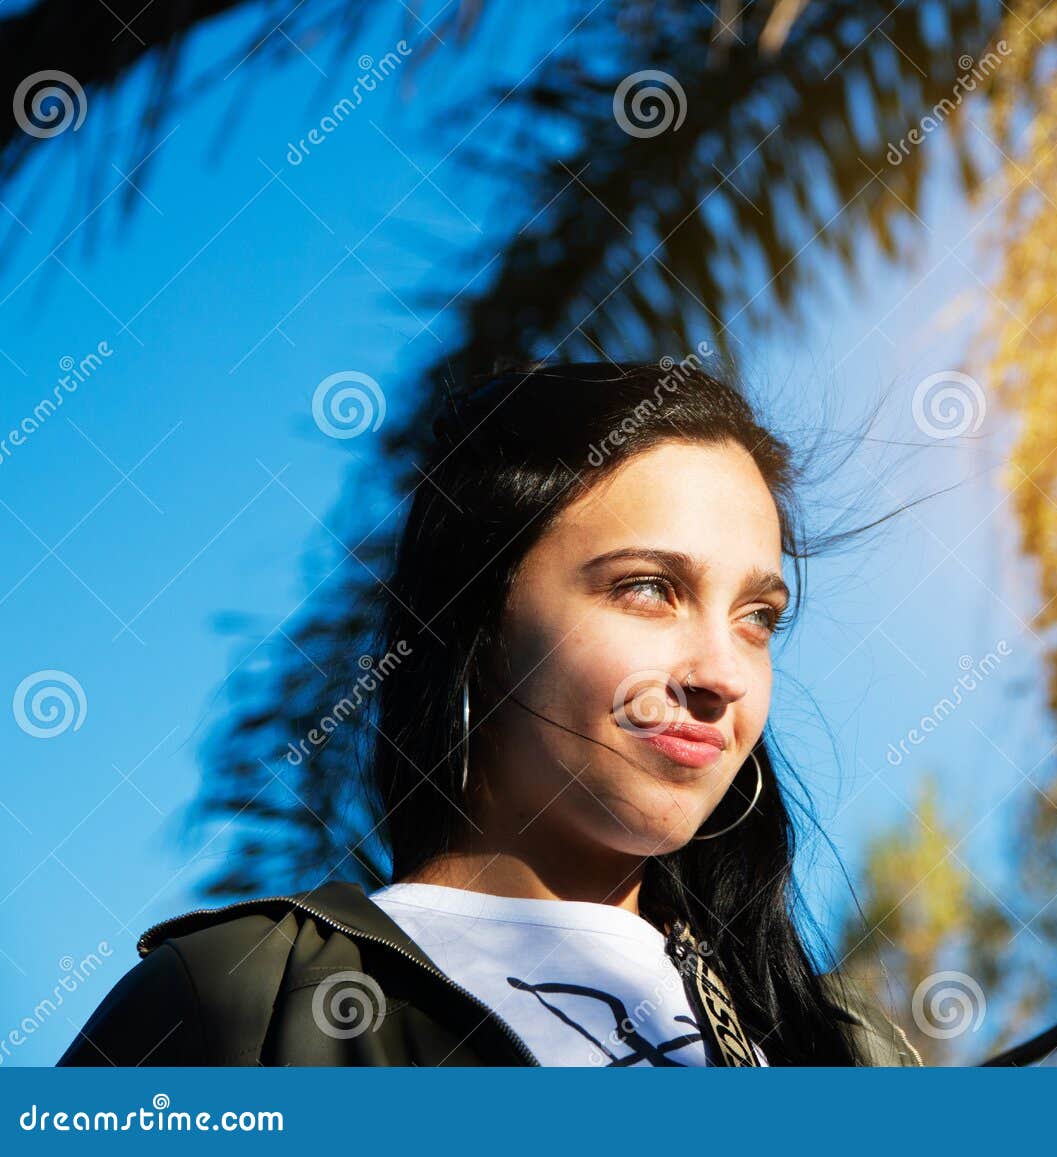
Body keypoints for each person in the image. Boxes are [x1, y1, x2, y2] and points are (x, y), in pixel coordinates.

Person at [57, 360, 923, 1067]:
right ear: (479, 620)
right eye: (650, 589)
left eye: (757, 617)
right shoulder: (239, 1003)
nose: (723, 672)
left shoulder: (851, 1051)